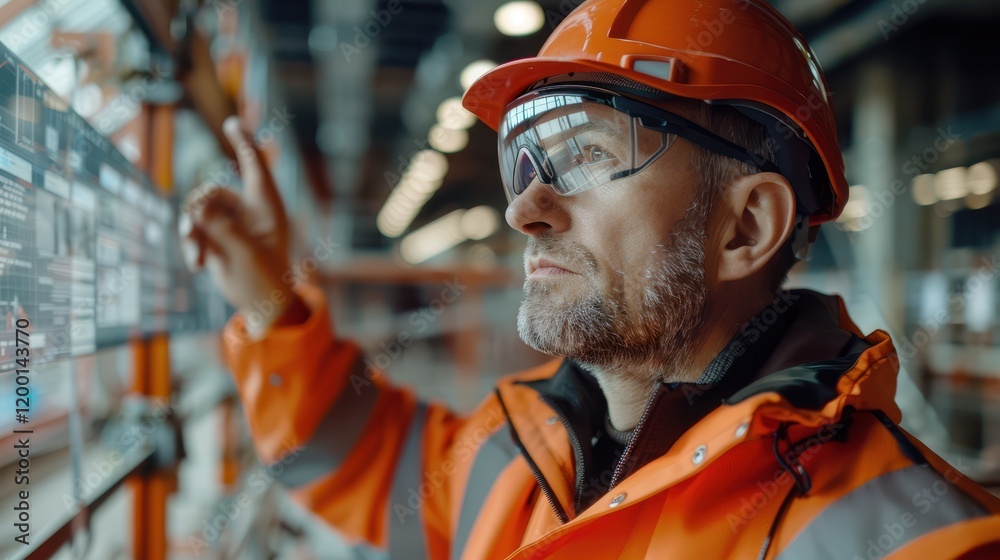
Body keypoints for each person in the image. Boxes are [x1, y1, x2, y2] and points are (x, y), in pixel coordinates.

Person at [179, 0, 1000, 558]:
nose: (524, 209)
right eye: (527, 162)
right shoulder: (513, 450)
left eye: (592, 155)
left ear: (746, 226)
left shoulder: (919, 541)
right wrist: (269, 299)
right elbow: (359, 457)